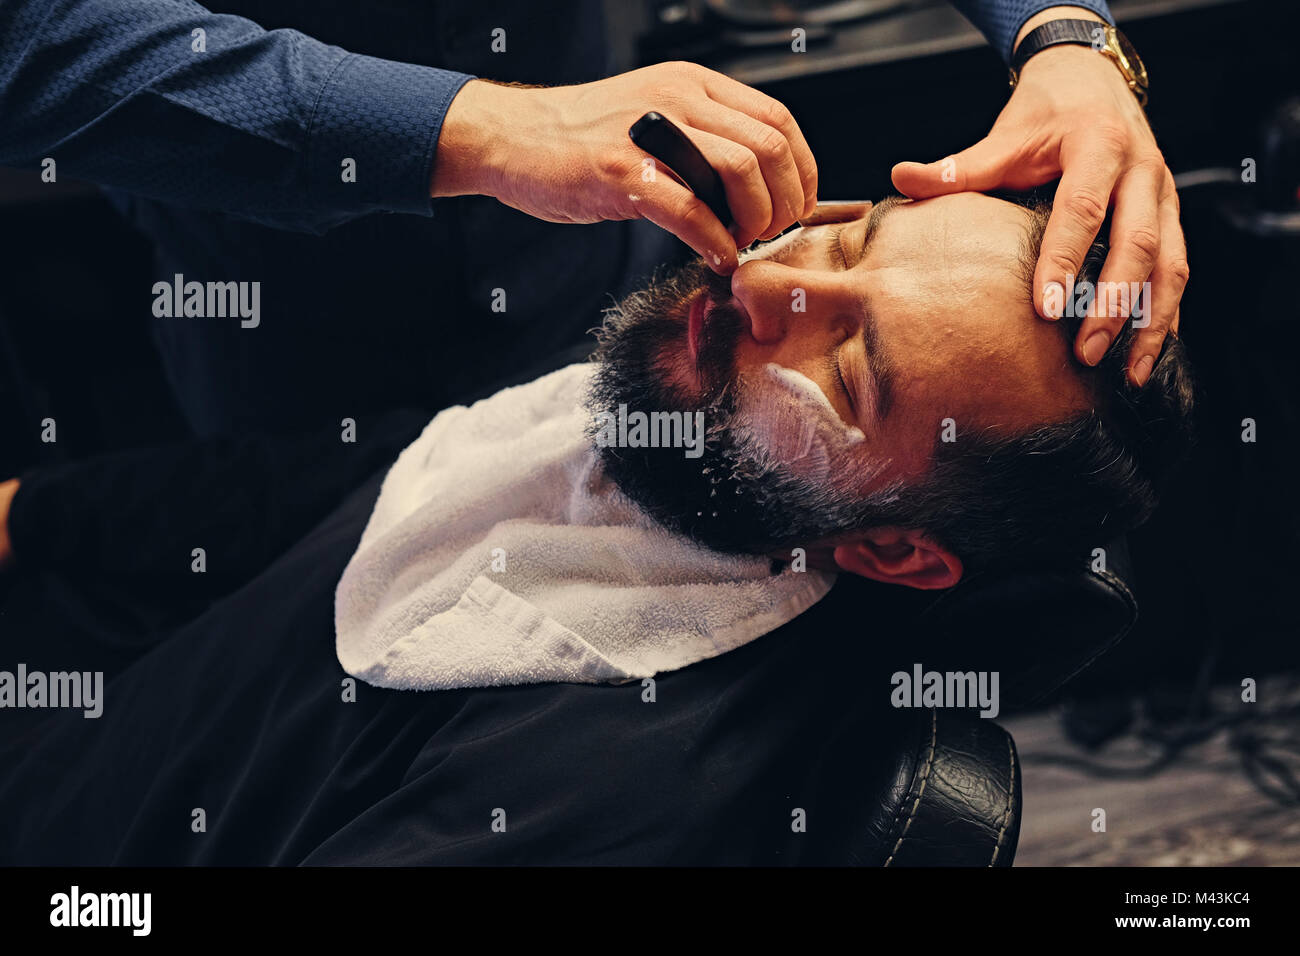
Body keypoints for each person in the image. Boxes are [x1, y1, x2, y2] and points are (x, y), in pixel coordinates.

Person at [0, 0, 1185, 437]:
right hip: (281, 319)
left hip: (577, 275)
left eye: (854, 360)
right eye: (841, 250)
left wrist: (1061, 33)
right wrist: (485, 131)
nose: (771, 280)